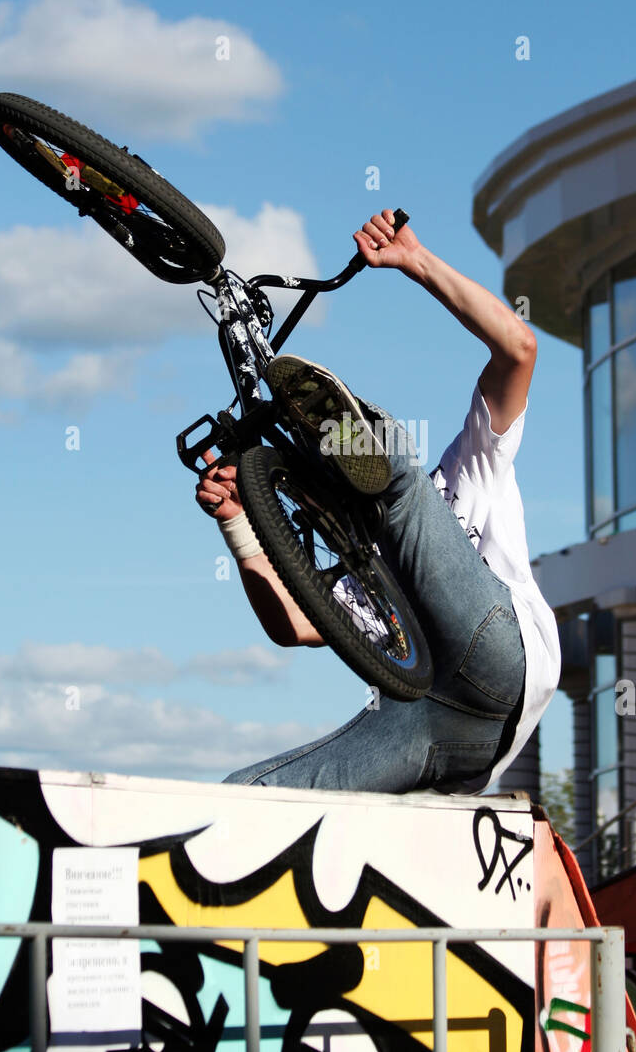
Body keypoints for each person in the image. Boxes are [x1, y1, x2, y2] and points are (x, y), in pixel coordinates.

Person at [195, 208, 561, 793]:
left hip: (499, 659)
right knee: (250, 799)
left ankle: (356, 438)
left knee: (399, 483)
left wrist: (415, 262)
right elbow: (295, 623)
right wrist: (238, 522)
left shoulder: (469, 471)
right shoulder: (357, 572)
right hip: (445, 735)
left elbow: (518, 348)